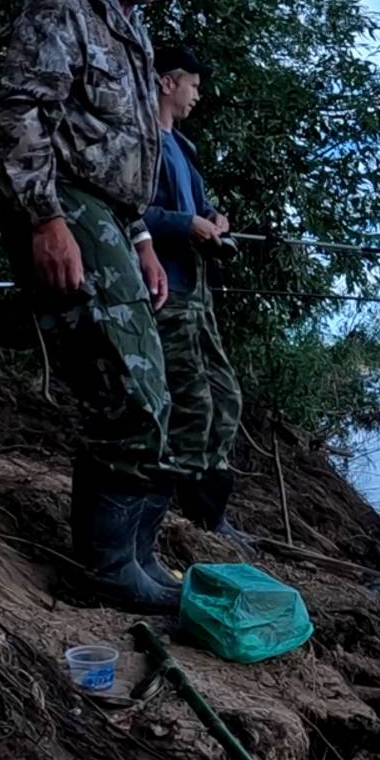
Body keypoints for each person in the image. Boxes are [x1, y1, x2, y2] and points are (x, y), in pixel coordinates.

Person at [0, 0, 205, 613]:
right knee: (132, 392)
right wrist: (45, 219)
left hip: (111, 218)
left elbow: (126, 154)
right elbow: (21, 112)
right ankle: (109, 571)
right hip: (64, 205)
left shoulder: (134, 32)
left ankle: (134, 555)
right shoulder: (66, 3)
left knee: (154, 394)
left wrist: (142, 239)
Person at [141, 44, 250, 551]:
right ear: (167, 83)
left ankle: (212, 509)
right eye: (193, 85)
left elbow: (204, 205)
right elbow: (130, 211)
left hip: (199, 295)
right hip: (167, 292)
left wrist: (216, 221)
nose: (197, 96)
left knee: (226, 395)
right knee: (192, 403)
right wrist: (188, 224)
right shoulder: (142, 142)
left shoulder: (185, 149)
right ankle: (184, 514)